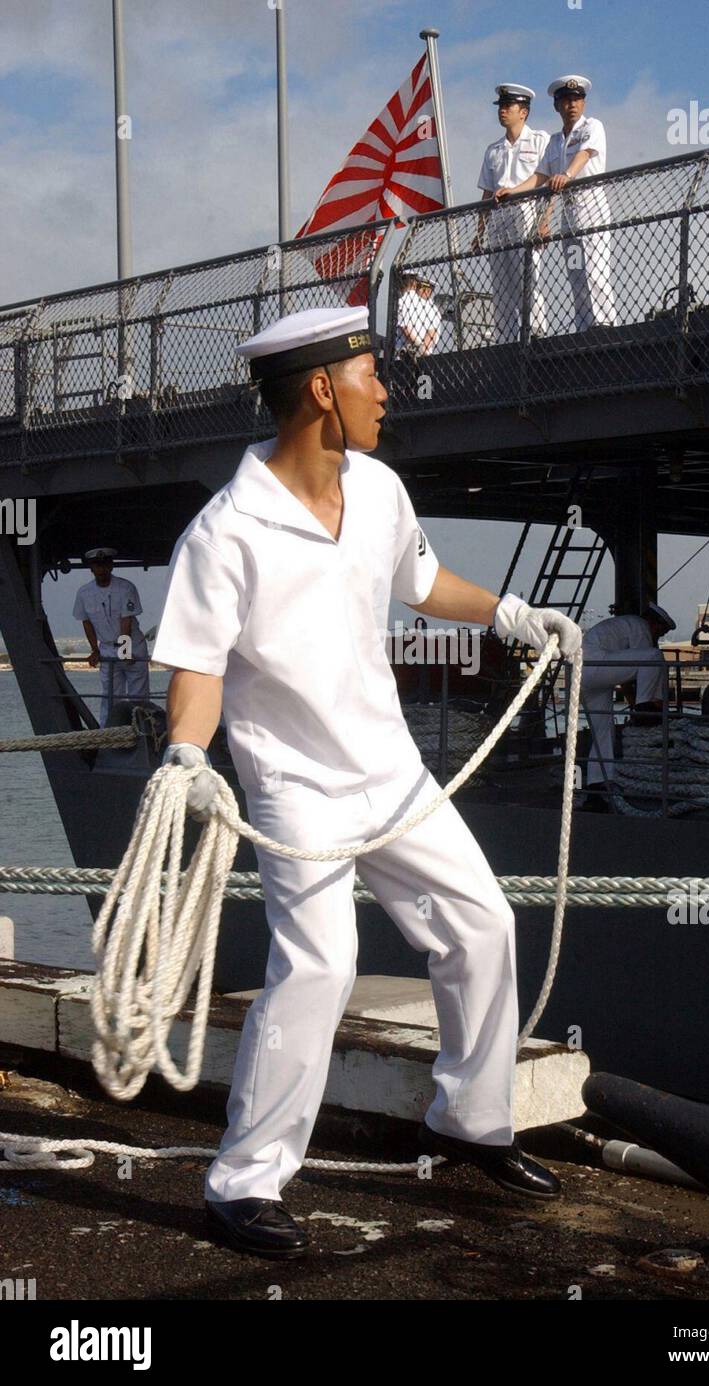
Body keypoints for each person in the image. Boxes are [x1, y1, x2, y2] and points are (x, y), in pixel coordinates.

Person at [151, 305, 582, 1258]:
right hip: (294, 784)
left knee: (483, 925)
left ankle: (469, 1122)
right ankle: (243, 1182)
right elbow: (199, 666)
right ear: (320, 390)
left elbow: (421, 582)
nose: (386, 390)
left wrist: (512, 613)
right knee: (319, 967)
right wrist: (187, 756)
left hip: (389, 770)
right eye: (370, 374)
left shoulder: (379, 488)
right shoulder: (226, 530)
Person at [495, 73, 616, 333]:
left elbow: (584, 154)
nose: (572, 104)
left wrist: (568, 175)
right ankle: (585, 326)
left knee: (594, 269)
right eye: (566, 100)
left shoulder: (592, 126)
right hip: (569, 211)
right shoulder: (555, 141)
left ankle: (604, 324)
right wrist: (513, 191)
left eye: (576, 99)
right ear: (557, 105)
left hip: (591, 206)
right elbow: (542, 176)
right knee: (576, 272)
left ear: (583, 103)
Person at [474, 84, 549, 343]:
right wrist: (479, 232)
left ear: (523, 112)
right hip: (497, 217)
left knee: (526, 276)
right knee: (501, 282)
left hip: (524, 212)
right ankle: (505, 338)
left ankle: (536, 332)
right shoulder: (493, 150)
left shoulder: (540, 140)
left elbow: (545, 179)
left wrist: (543, 222)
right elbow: (486, 193)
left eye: (509, 106)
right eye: (501, 106)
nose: (503, 111)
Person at [580, 603, 676, 791]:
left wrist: (632, 701)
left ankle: (597, 782)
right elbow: (643, 664)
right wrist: (647, 705)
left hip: (583, 672)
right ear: (655, 624)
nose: (658, 636)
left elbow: (626, 673)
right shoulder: (640, 627)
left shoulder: (623, 625)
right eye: (661, 632)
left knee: (602, 730)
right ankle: (646, 707)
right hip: (598, 664)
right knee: (655, 656)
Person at [73, 547, 150, 725]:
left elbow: (126, 620)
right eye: (97, 565)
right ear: (91, 568)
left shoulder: (125, 588)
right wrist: (94, 650)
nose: (101, 569)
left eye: (105, 564)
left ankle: (142, 730)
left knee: (138, 696)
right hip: (107, 648)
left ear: (111, 566)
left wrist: (125, 650)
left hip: (133, 646)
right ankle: (109, 733)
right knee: (110, 697)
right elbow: (86, 622)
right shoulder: (84, 593)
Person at [395, 272, 442, 357]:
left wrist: (418, 346)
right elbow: (432, 332)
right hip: (426, 356)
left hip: (404, 355)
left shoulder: (402, 301)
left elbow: (404, 328)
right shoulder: (430, 307)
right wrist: (423, 349)